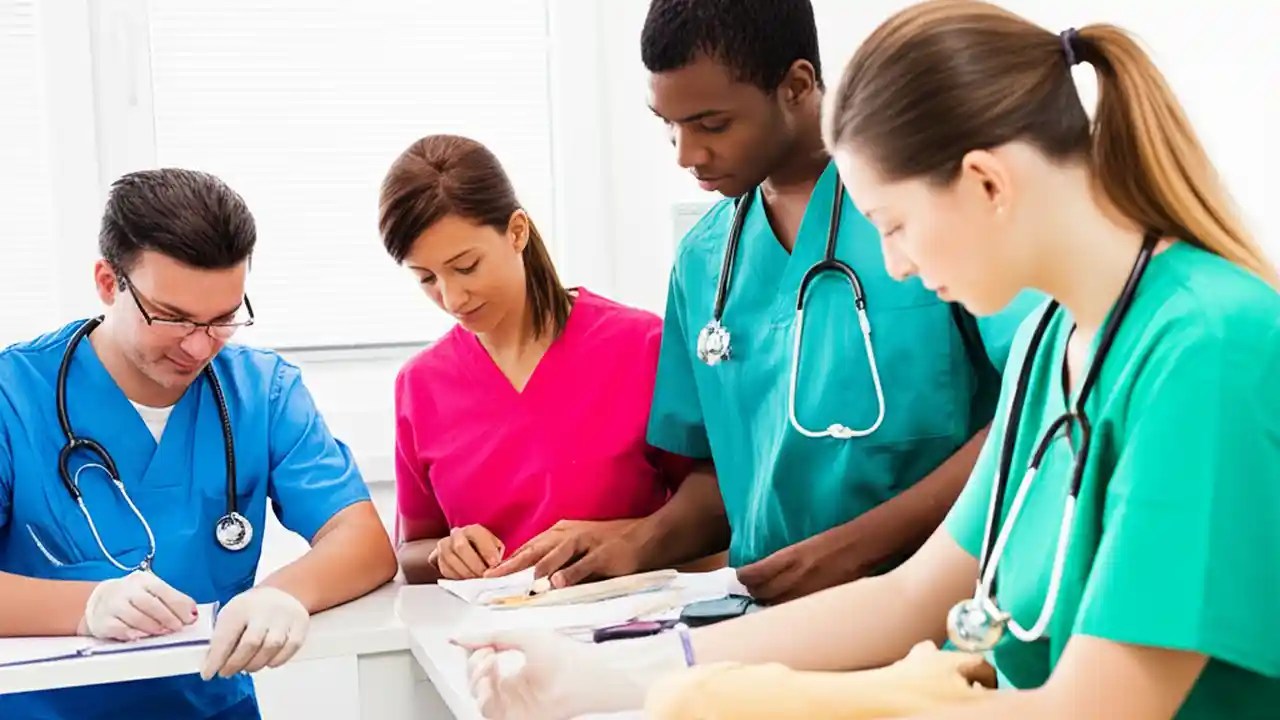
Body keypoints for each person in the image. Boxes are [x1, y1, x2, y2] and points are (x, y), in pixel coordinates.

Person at [456, 1, 1280, 718]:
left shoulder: (1209, 346)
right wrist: (620, 674)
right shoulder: (1050, 346)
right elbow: (913, 597)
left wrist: (758, 701)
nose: (893, 266)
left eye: (892, 224)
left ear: (987, 184)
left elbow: (1099, 706)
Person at [502, 0, 1039, 604]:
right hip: (769, 610)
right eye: (668, 125)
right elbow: (723, 476)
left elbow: (1040, 409)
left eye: (712, 124)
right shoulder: (704, 260)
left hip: (937, 601)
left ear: (797, 85)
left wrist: (855, 547)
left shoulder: (929, 212)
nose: (685, 154)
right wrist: (640, 541)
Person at [0, 169, 398, 719]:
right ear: (109, 283)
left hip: (211, 708)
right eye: (173, 318)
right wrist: (85, 605)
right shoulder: (14, 396)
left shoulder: (262, 392)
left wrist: (281, 594)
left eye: (223, 319)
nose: (198, 346)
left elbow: (363, 541)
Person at [378, 134, 697, 584]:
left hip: (635, 627)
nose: (452, 298)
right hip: (494, 641)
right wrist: (446, 552)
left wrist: (621, 539)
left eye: (466, 266)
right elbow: (411, 550)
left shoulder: (642, 344)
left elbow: (713, 515)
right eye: (426, 278)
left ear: (517, 232)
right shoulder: (420, 384)